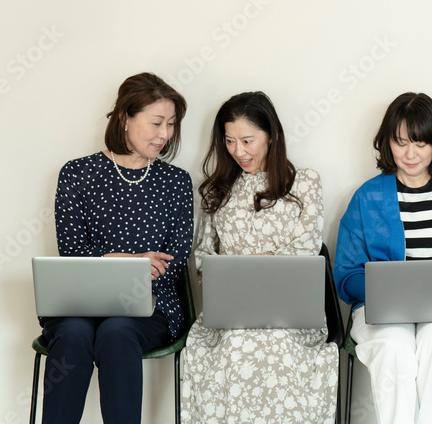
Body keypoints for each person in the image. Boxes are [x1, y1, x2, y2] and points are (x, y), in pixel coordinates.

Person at [41, 72, 193, 424]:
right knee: (74, 332)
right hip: (79, 301)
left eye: (171, 124)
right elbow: (73, 254)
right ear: (125, 117)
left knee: (116, 331)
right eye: (156, 122)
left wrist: (115, 265)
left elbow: (175, 257)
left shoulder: (176, 182)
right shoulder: (77, 174)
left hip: (151, 305)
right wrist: (132, 261)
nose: (165, 134)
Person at [334, 92, 432, 424]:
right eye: (400, 142)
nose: (410, 154)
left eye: (420, 143)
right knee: (393, 346)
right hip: (380, 313)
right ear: (387, 144)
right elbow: (347, 272)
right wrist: (386, 292)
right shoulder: (367, 196)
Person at [181, 91, 338, 424]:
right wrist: (226, 273)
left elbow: (308, 247)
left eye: (248, 140)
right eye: (230, 141)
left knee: (276, 345)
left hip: (292, 314)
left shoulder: (304, 182)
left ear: (272, 136)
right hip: (231, 314)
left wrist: (265, 259)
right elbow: (203, 257)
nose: (238, 151)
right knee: (237, 345)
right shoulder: (216, 190)